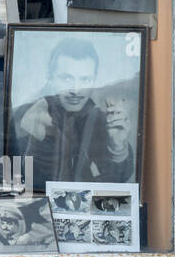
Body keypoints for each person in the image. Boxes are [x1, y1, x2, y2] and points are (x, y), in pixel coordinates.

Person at [11, 36, 135, 190]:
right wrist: (35, 141)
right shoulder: (25, 116)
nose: (76, 90)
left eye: (85, 80)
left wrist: (117, 148)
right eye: (66, 79)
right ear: (51, 77)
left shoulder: (105, 122)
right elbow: (14, 180)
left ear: (95, 80)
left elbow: (116, 185)